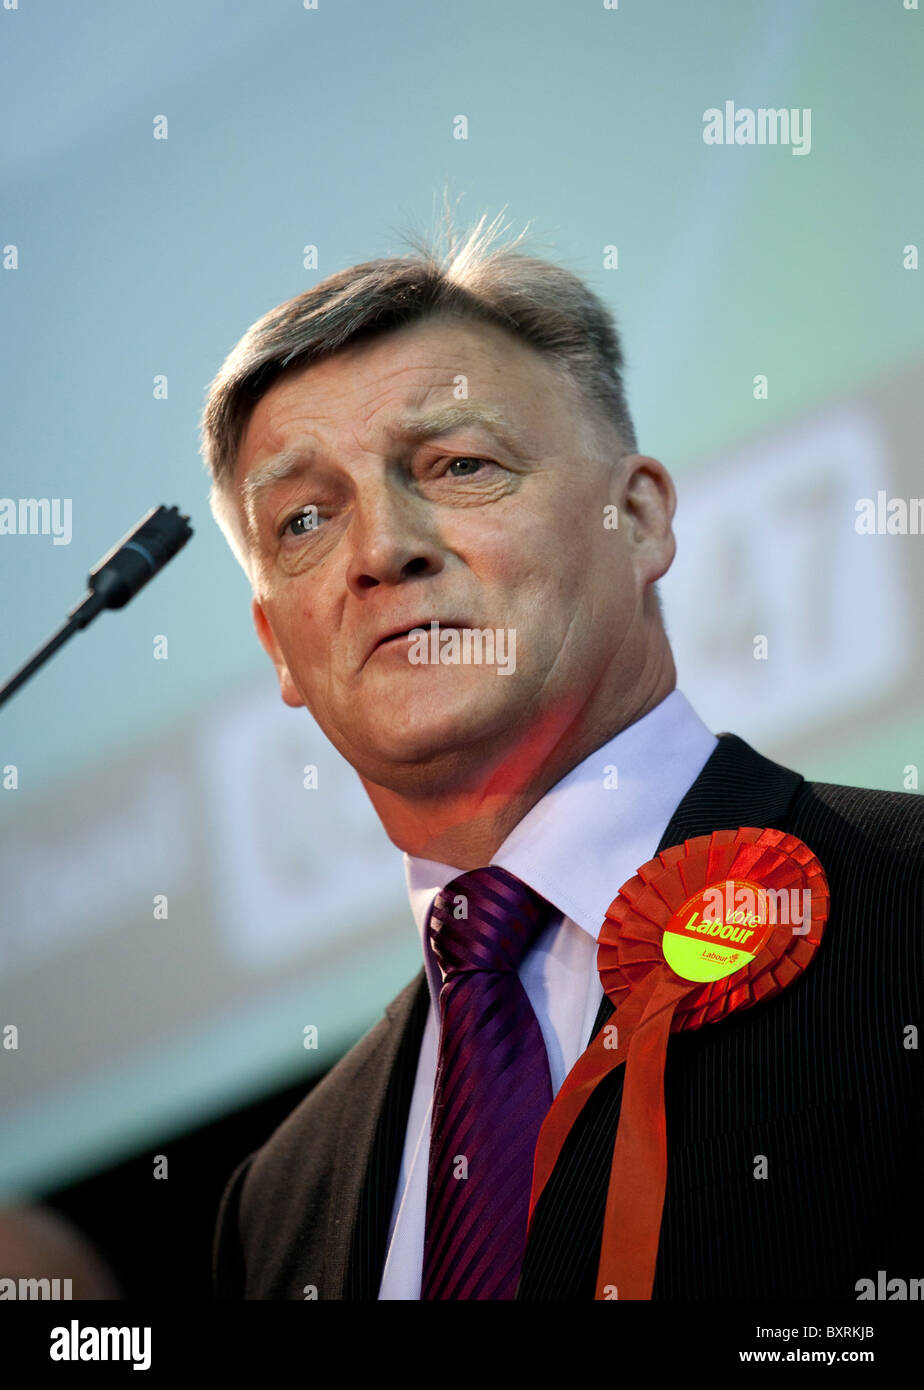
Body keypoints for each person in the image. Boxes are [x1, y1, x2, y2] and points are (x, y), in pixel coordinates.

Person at [201, 214, 923, 1300]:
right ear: (279, 649)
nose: (380, 549)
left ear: (637, 519)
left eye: (457, 464)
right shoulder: (280, 1204)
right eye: (304, 519)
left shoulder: (906, 901)